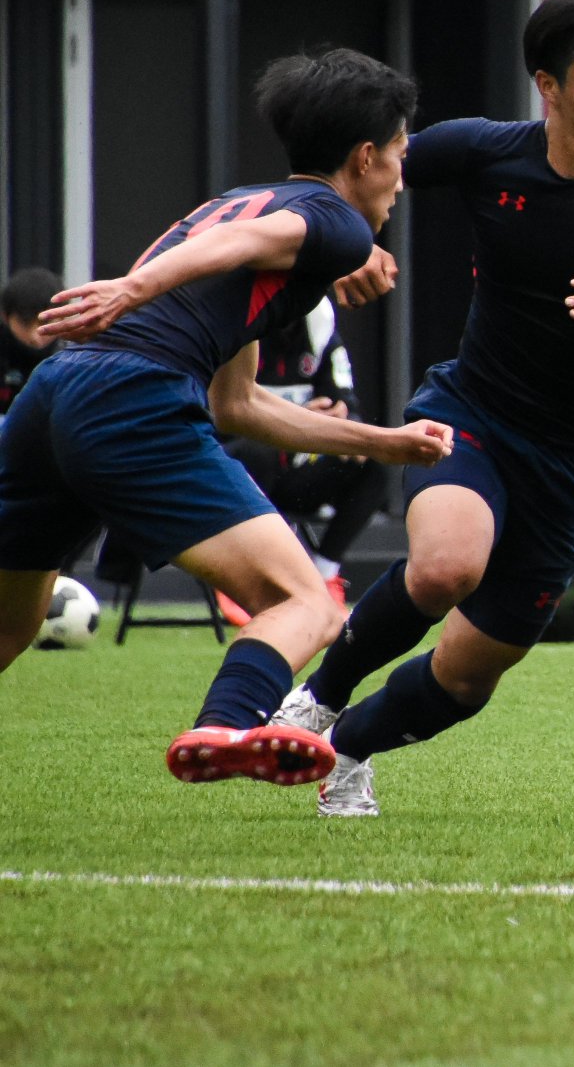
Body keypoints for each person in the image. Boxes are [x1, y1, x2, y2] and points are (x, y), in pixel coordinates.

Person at [273, 0, 574, 818]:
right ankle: (319, 696)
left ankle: (343, 751)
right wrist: (349, 243)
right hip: (471, 413)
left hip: (568, 460)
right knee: (448, 564)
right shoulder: (488, 151)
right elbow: (358, 172)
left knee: (470, 674)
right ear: (550, 87)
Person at [0, 49, 454, 787]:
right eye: (401, 154)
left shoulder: (242, 199)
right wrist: (132, 287)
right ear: (366, 156)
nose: (403, 177)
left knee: (10, 628)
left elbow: (236, 404)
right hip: (129, 397)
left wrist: (384, 443)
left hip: (54, 394)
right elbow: (251, 244)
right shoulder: (335, 221)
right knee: (305, 601)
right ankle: (228, 724)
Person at [207, 296, 385, 623]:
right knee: (256, 453)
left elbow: (345, 402)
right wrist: (293, 420)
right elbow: (216, 421)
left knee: (371, 457)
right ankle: (239, 578)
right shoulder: (235, 327)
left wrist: (342, 424)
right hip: (229, 472)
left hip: (290, 474)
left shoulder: (319, 327)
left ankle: (323, 575)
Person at [1, 267, 61, 414]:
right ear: (5, 316)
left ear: (63, 315)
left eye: (45, 323)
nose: (35, 336)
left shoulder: (78, 355)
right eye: (25, 323)